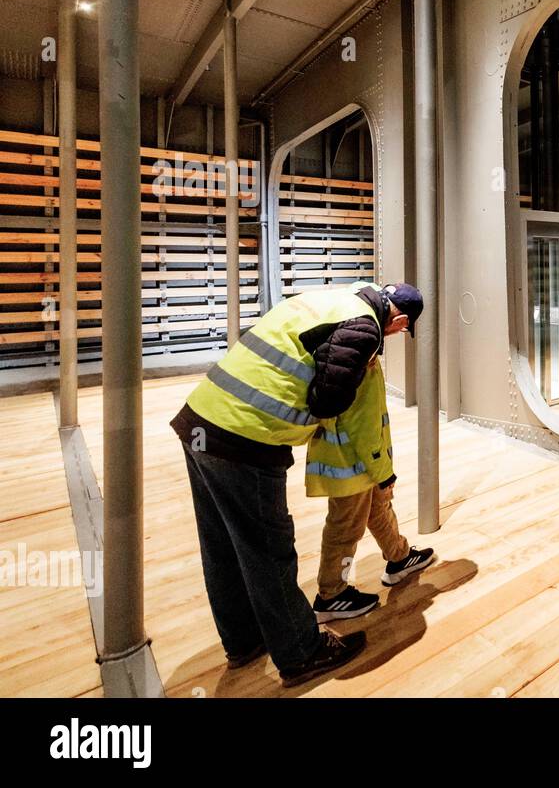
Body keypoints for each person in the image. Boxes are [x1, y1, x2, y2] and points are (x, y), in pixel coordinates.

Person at [171, 281, 422, 688]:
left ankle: (244, 642)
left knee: (222, 547)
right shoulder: (366, 328)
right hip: (245, 438)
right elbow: (329, 400)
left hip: (202, 419)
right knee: (267, 550)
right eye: (400, 330)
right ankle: (302, 653)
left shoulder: (333, 299)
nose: (394, 336)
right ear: (400, 321)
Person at [307, 356, 437, 622]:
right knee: (345, 526)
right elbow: (363, 424)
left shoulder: (346, 352)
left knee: (378, 506)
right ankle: (331, 594)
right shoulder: (361, 361)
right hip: (350, 463)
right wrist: (383, 472)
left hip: (354, 459)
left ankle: (399, 556)